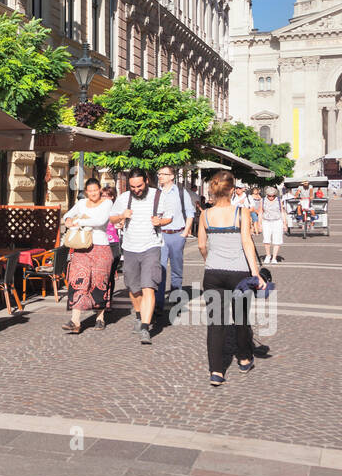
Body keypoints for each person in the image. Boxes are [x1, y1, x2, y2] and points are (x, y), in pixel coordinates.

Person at [197, 169, 265, 387]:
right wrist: (255, 273)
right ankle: (244, 358)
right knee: (241, 318)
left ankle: (216, 371)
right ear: (232, 189)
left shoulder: (205, 215)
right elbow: (247, 243)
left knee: (216, 323)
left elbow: (200, 245)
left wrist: (210, 260)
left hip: (213, 273)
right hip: (239, 274)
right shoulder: (241, 212)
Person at [108, 169, 163, 344]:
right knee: (133, 287)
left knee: (149, 287)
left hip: (151, 246)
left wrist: (160, 221)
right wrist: (122, 216)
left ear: (146, 181)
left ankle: (146, 327)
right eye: (133, 187)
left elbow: (169, 217)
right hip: (130, 247)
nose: (136, 189)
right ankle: (139, 315)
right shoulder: (124, 198)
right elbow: (112, 219)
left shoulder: (158, 196)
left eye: (139, 186)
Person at [61, 177, 115, 333]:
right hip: (81, 247)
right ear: (86, 192)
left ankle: (100, 317)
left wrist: (81, 222)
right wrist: (70, 220)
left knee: (99, 282)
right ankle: (75, 321)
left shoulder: (107, 203)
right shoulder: (81, 203)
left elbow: (100, 220)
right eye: (90, 191)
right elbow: (67, 216)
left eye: (95, 190)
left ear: (100, 190)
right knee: (78, 280)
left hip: (101, 247)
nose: (93, 193)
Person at [153, 166, 196, 321]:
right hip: (160, 235)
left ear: (172, 176)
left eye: (163, 174)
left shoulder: (180, 192)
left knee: (177, 270)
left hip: (177, 234)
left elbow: (190, 212)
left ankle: (176, 301)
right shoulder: (155, 193)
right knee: (160, 269)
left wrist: (185, 232)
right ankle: (158, 304)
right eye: (159, 174)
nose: (160, 176)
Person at [260, 186, 285, 262]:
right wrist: (259, 224)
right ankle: (268, 255)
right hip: (266, 221)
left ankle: (274, 257)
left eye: (273, 196)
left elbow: (282, 211)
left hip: (277, 221)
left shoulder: (278, 200)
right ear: (267, 195)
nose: (271, 197)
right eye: (269, 196)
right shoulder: (263, 200)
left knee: (277, 239)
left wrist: (284, 223)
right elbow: (260, 212)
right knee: (266, 240)